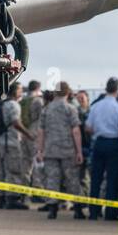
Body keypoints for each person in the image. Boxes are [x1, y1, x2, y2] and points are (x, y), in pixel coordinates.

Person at [85, 77, 118, 220]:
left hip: (99, 143)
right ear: (117, 90)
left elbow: (88, 127)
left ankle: (93, 212)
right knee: (113, 180)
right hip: (114, 145)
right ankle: (110, 213)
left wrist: (97, 134)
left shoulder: (95, 106)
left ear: (106, 89)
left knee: (96, 180)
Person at [37, 81, 85, 219]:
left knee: (52, 180)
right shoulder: (70, 109)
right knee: (72, 180)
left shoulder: (46, 109)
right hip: (68, 150)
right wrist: (79, 151)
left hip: (50, 150)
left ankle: (52, 209)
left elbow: (41, 131)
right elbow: (76, 131)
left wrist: (40, 150)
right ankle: (78, 210)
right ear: (68, 92)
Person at [0, 83, 31, 209]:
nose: (22, 92)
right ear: (15, 91)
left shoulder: (1, 103)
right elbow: (15, 122)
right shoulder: (13, 105)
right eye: (20, 89)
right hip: (10, 142)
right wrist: (28, 134)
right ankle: (12, 198)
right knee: (13, 169)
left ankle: (1, 198)